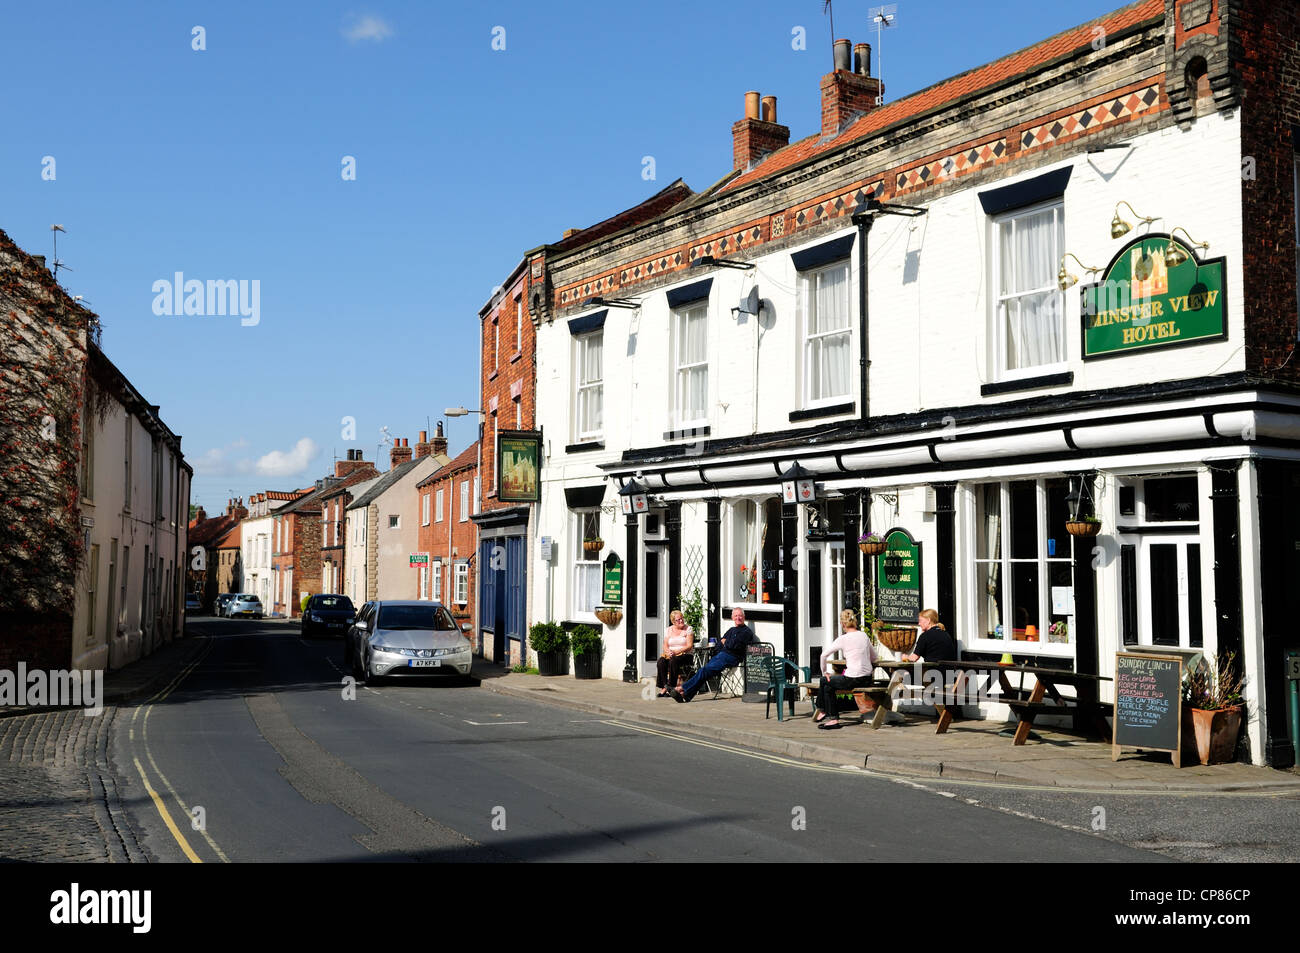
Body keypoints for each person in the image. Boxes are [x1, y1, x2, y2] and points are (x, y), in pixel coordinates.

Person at [672, 607, 753, 702]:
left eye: (740, 615)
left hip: (732, 658)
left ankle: (682, 688)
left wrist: (726, 642)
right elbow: (719, 643)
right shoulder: (731, 630)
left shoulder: (746, 632)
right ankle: (686, 695)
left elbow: (734, 645)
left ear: (744, 617)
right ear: (732, 617)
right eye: (736, 616)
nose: (738, 618)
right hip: (721, 656)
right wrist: (723, 645)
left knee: (704, 670)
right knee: (704, 671)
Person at [814, 609, 877, 730]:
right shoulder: (864, 636)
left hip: (852, 678)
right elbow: (874, 657)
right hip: (867, 678)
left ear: (843, 624)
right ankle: (829, 716)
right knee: (827, 685)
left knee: (824, 680)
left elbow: (823, 655)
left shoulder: (843, 639)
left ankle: (824, 711)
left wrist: (825, 672)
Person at [656, 610, 696, 697]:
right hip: (672, 654)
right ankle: (664, 687)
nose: (681, 621)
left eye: (682, 618)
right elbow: (665, 645)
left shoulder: (688, 629)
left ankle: (671, 687)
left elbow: (689, 646)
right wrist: (668, 651)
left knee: (673, 660)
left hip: (685, 655)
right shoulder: (668, 630)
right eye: (678, 620)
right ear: (673, 622)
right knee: (661, 661)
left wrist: (677, 651)